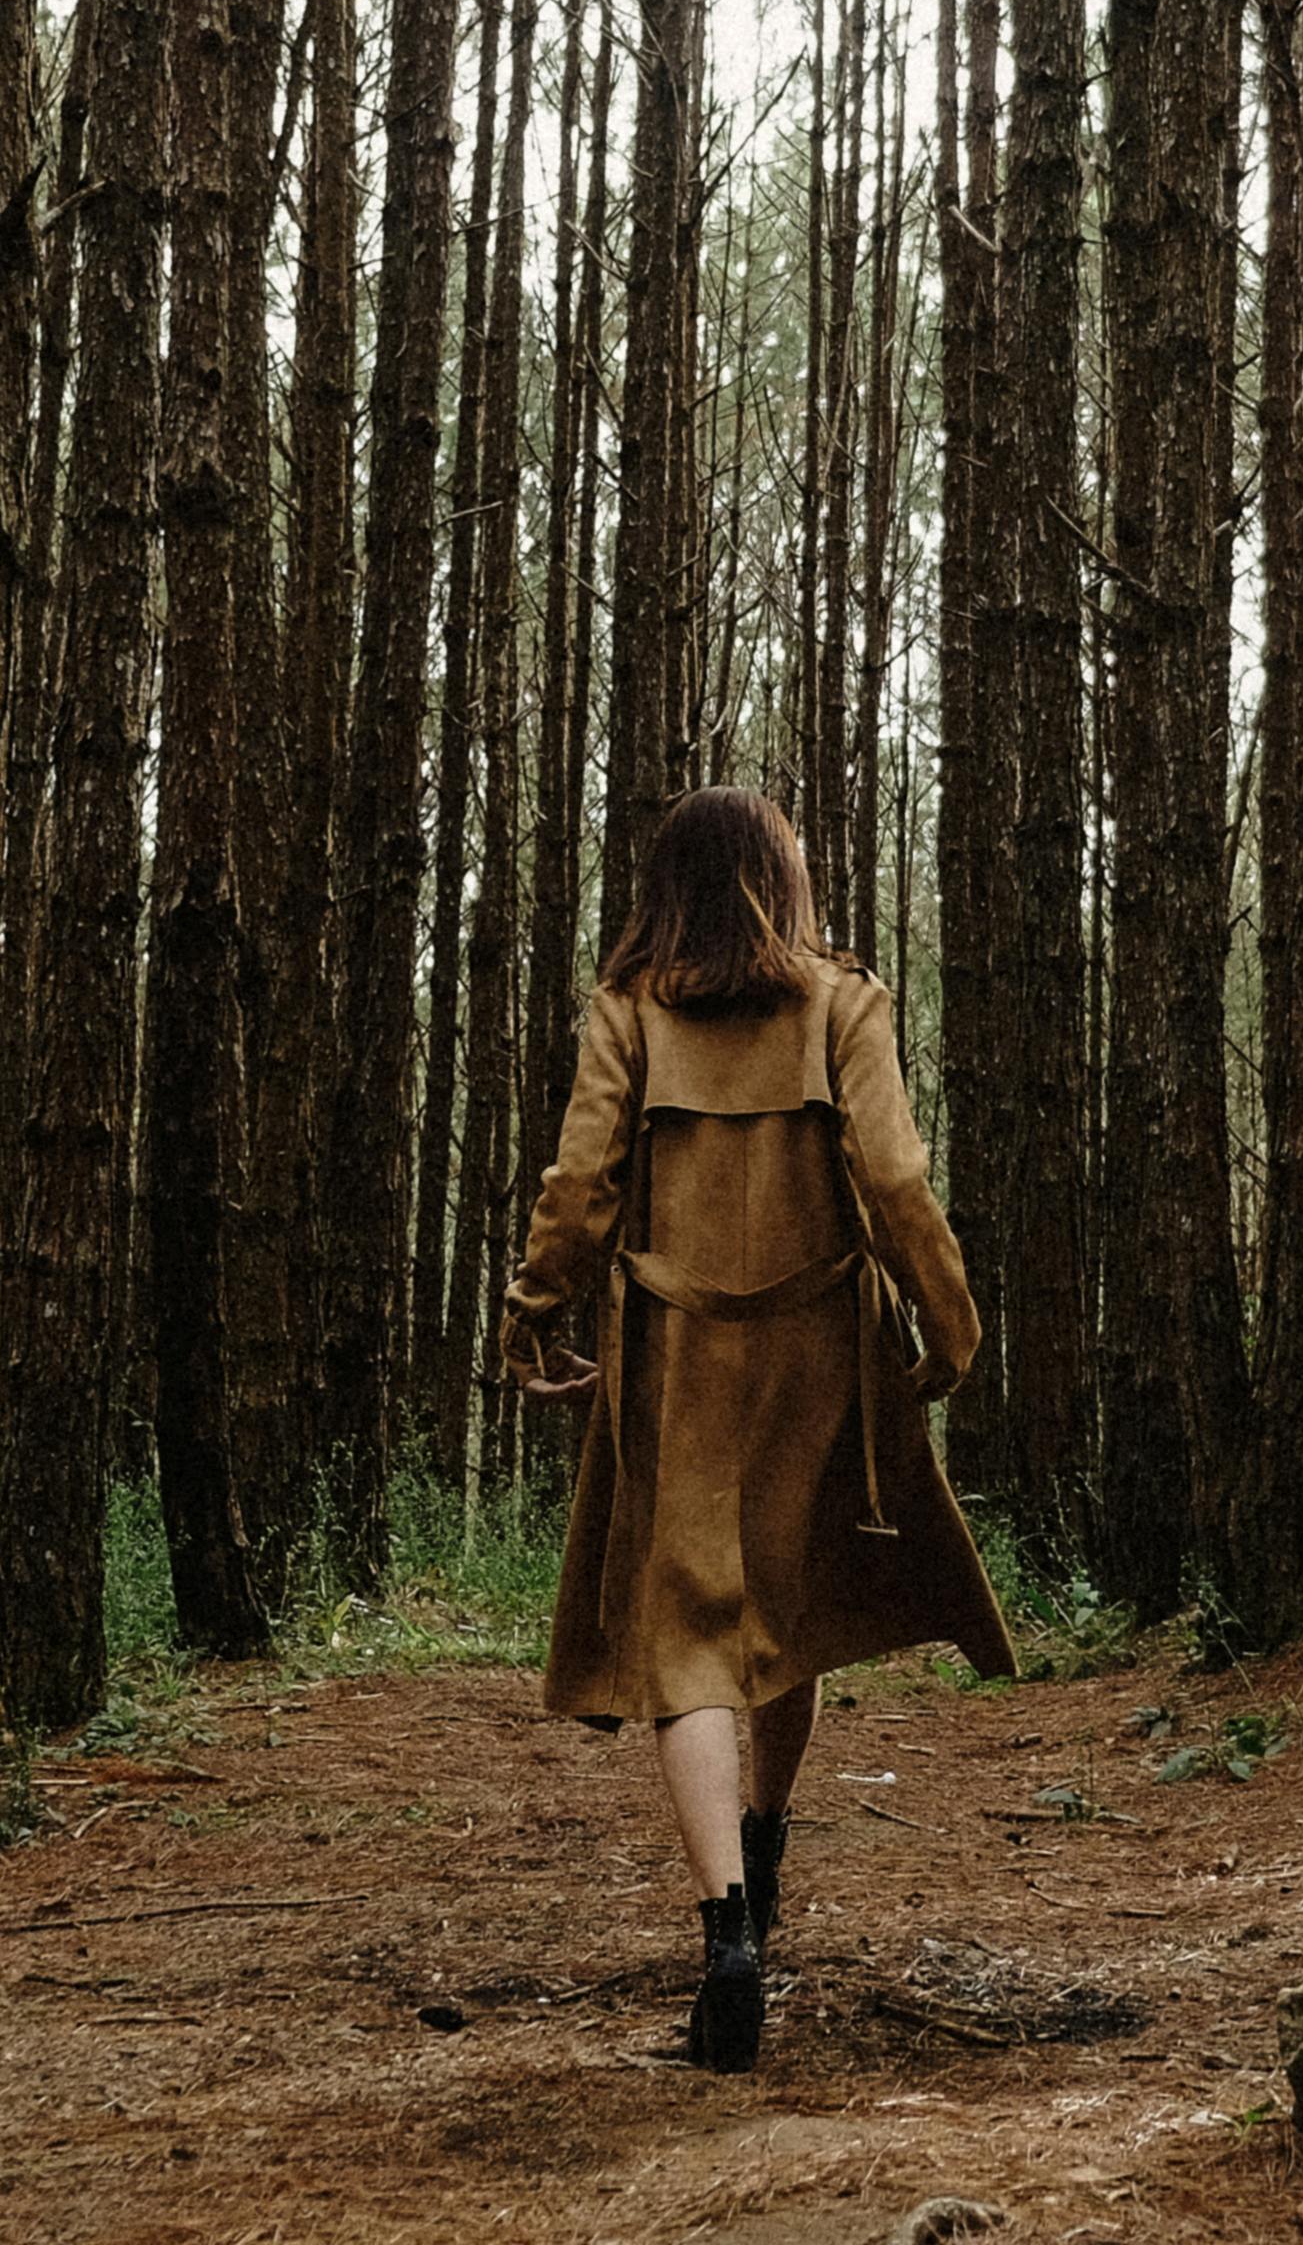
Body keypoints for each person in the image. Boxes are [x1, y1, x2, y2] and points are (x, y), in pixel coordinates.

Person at [498, 788, 1015, 2073]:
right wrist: (949, 1329)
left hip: (675, 1360)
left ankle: (728, 1927)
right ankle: (767, 1853)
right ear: (780, 881)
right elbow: (895, 1181)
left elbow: (579, 1187)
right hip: (813, 1356)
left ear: (665, 890)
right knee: (789, 1609)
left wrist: (533, 1308)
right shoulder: (844, 1003)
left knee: (686, 1638)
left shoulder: (627, 1012)